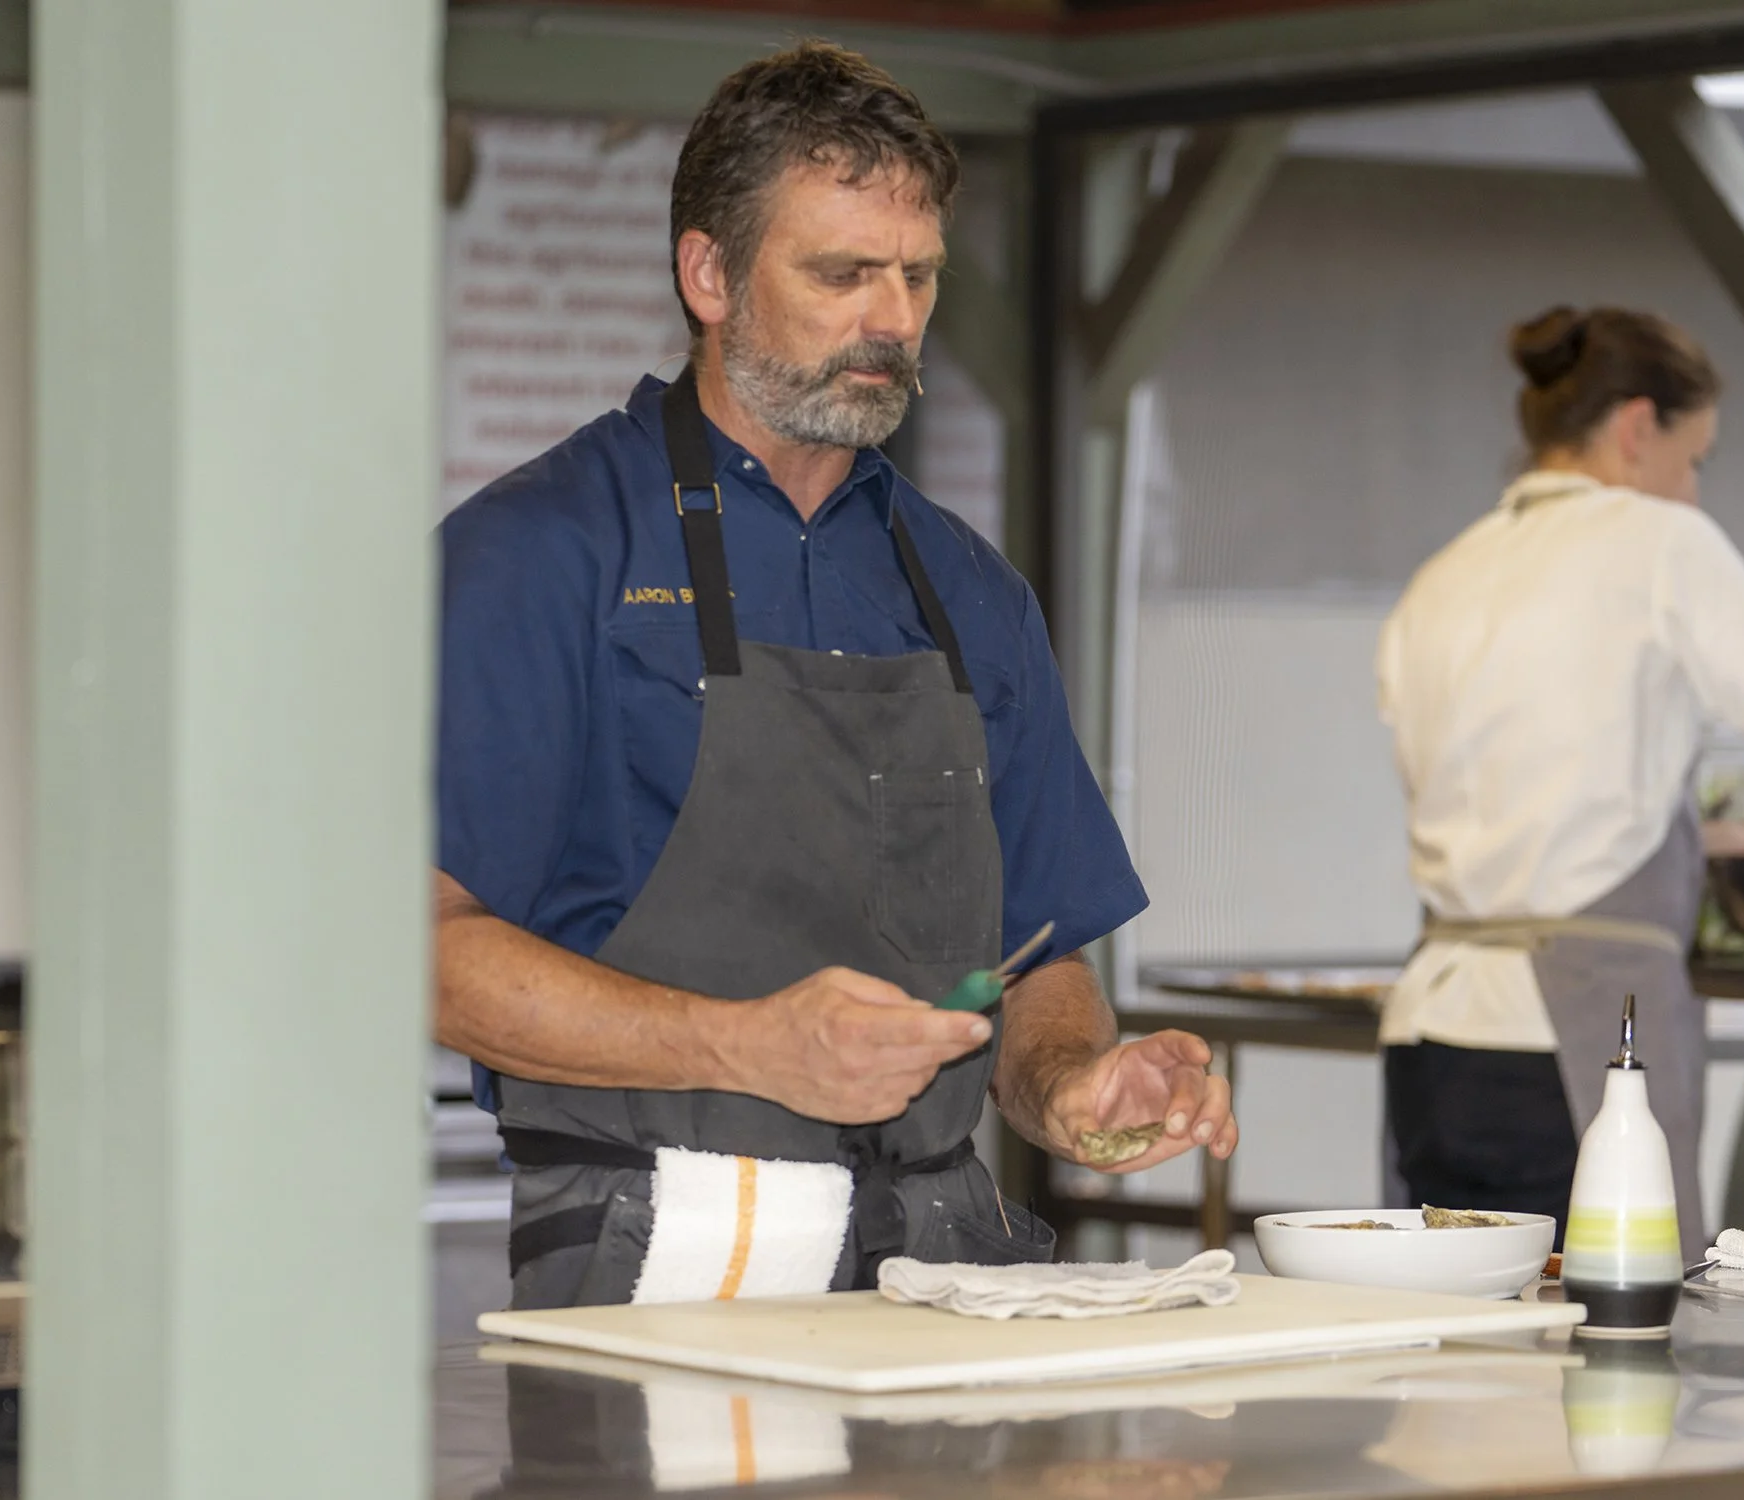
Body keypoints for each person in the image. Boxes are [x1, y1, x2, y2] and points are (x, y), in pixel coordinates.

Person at [434, 42, 1236, 1310]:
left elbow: (1035, 955)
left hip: (938, 1267)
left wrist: (1072, 1082)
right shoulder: (540, 555)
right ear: (709, 273)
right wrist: (741, 1045)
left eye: (917, 275)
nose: (895, 320)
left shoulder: (970, 593)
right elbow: (421, 951)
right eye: (842, 273)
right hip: (656, 1257)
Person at [1374, 306, 1744, 1259]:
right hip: (1570, 1048)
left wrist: (1695, 843)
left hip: (1432, 1037)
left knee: (1464, 1364)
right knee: (1607, 1364)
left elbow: (1523, 804)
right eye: (1696, 460)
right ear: (1637, 427)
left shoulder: (1444, 574)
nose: (1690, 492)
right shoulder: (1659, 544)